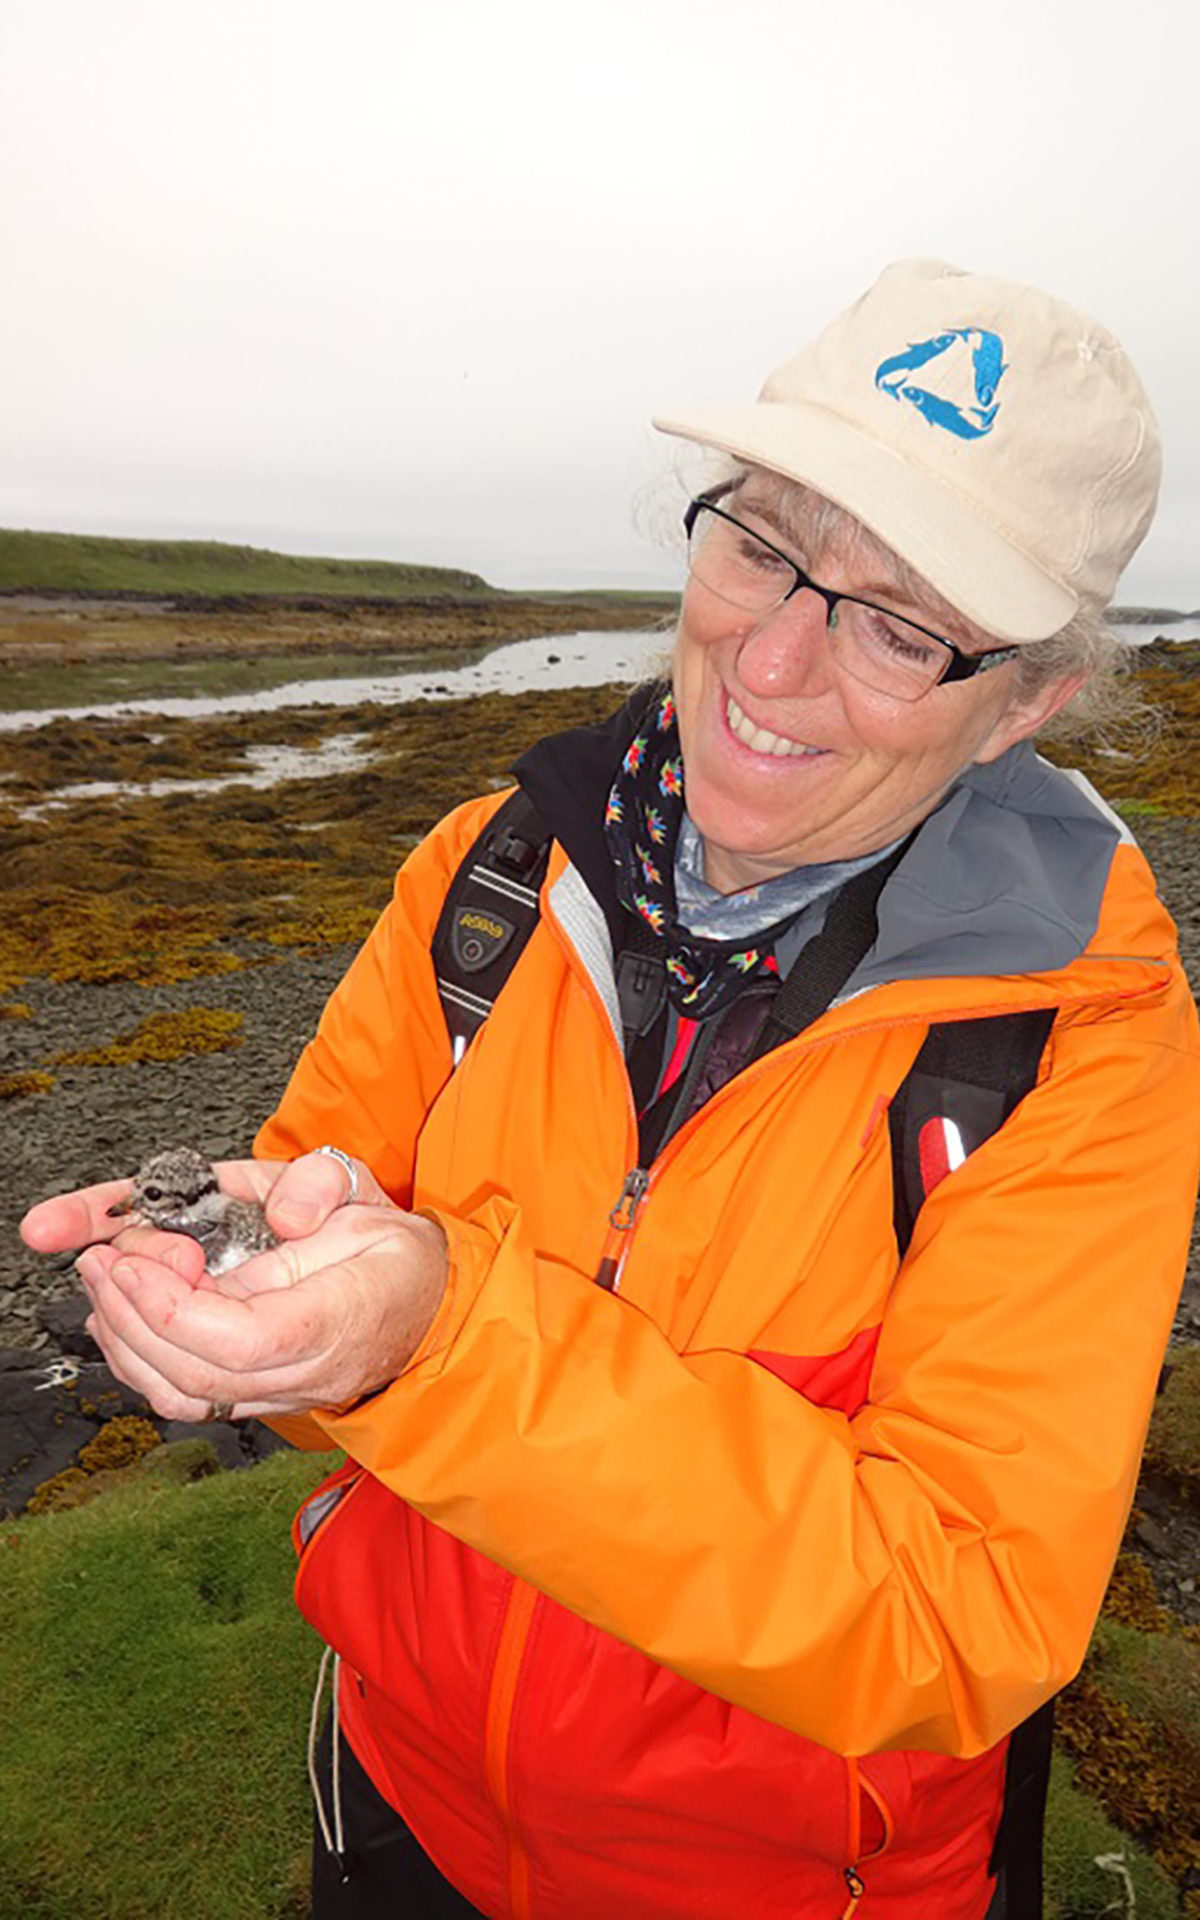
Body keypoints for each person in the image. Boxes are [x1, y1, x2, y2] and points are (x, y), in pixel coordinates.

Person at [22, 258, 1200, 1920]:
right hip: (401, 1797)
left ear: (1029, 700)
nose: (773, 661)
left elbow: (962, 1616)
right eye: (767, 544)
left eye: (899, 623)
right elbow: (327, 1251)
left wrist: (440, 1340)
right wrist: (230, 1290)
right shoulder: (488, 874)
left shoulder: (1083, 1039)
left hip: (796, 1888)